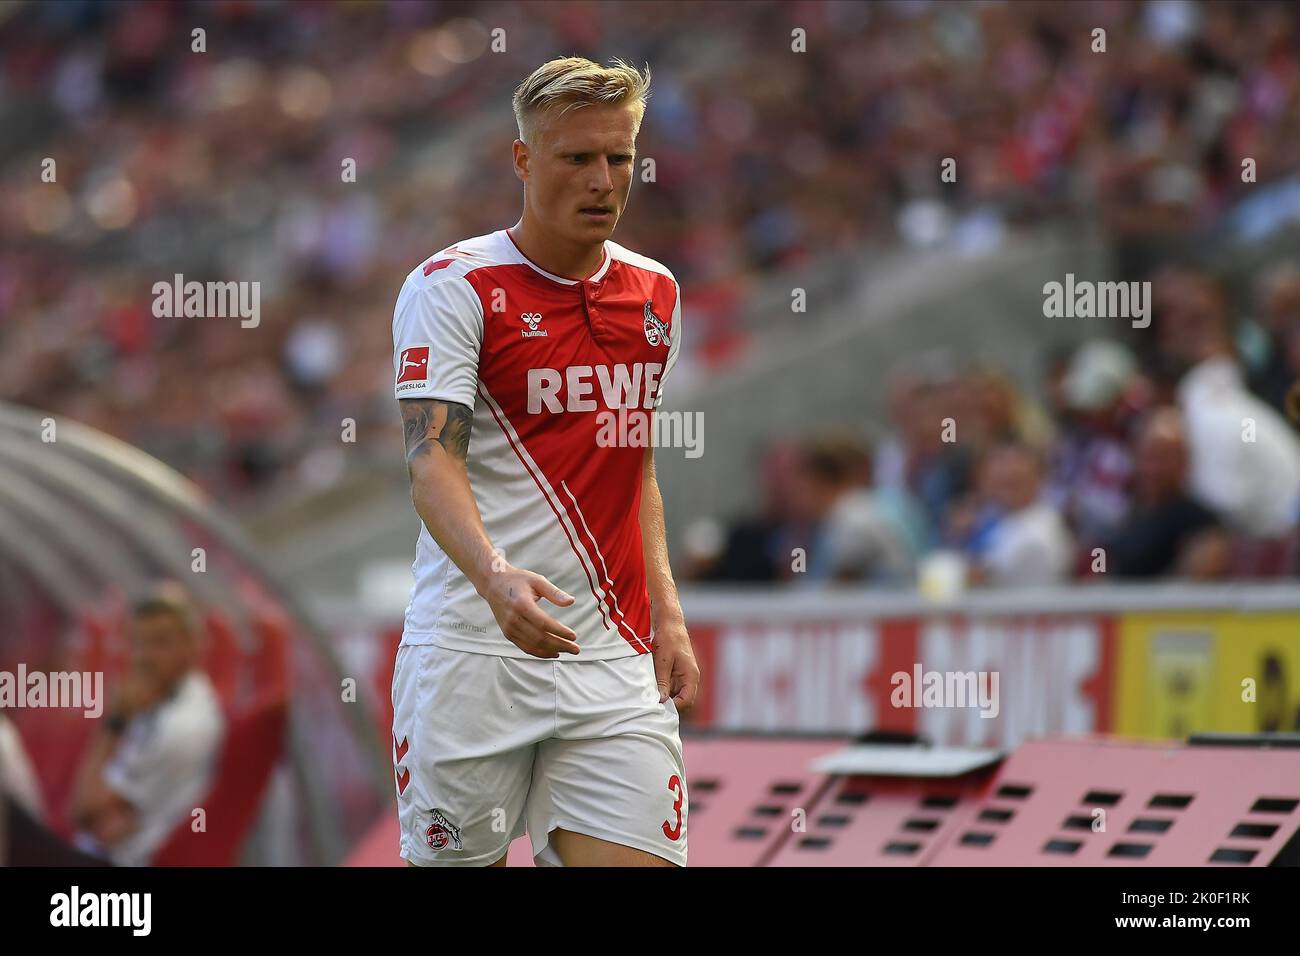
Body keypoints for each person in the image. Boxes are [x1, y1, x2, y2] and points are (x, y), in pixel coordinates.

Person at [390, 57, 698, 868]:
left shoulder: (656, 291)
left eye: (619, 158)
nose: (603, 180)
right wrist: (495, 577)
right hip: (472, 655)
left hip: (614, 659)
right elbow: (430, 462)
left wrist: (665, 609)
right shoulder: (453, 287)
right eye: (576, 159)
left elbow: (636, 466)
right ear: (524, 161)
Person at [69, 584, 224, 866]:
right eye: (139, 643)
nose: (144, 657)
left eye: (161, 642)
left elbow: (85, 812)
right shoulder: (158, 702)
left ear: (193, 646)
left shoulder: (184, 726)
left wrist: (115, 722)